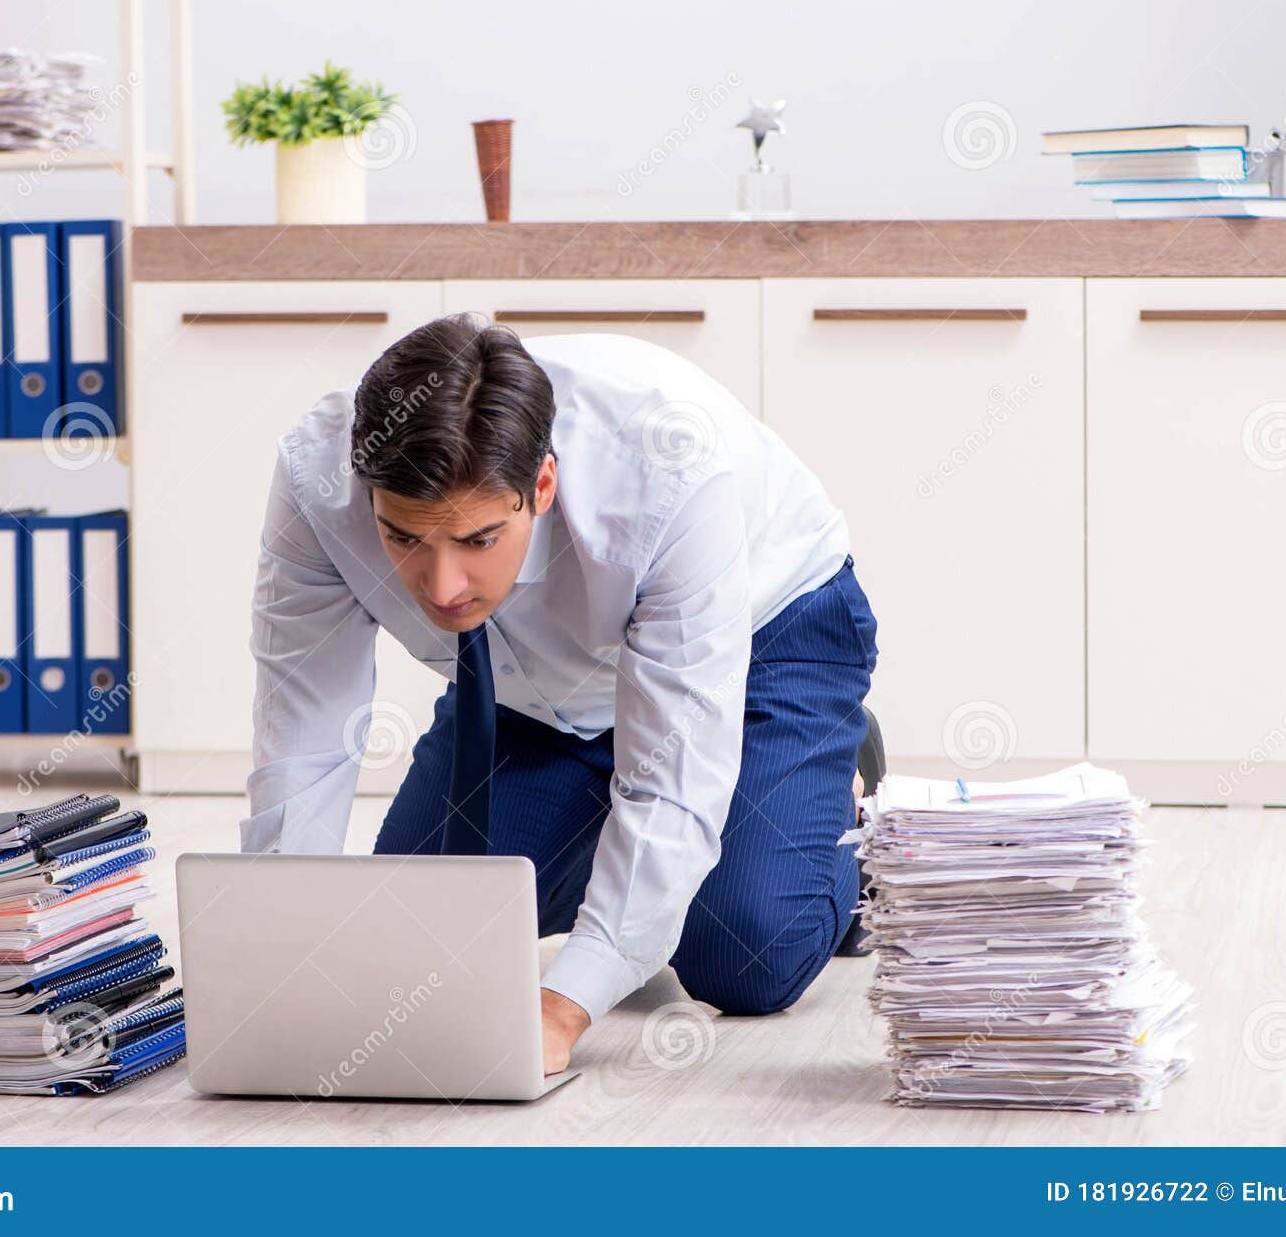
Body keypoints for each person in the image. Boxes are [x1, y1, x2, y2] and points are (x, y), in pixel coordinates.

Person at [243, 313, 879, 1075]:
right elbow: (304, 729)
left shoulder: (665, 472)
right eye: (405, 538)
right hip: (540, 693)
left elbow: (674, 776)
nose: (442, 589)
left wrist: (562, 1005)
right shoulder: (320, 483)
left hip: (768, 634)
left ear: (541, 483)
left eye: (478, 539)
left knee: (742, 952)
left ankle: (843, 790)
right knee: (422, 934)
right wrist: (279, 963)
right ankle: (623, 837)